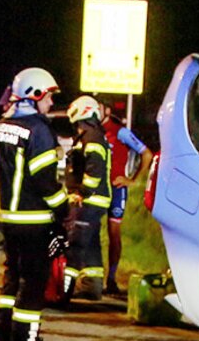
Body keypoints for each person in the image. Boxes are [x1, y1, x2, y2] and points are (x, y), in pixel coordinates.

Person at [0, 67, 66, 341]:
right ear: (34, 96)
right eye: (48, 97)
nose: (50, 104)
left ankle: (3, 330)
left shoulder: (0, 127)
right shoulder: (40, 130)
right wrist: (63, 206)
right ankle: (25, 340)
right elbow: (45, 180)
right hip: (32, 219)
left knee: (12, 275)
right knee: (34, 280)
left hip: (6, 218)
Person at [61, 95, 112, 301]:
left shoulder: (91, 138)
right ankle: (92, 285)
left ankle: (65, 289)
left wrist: (81, 192)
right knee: (91, 244)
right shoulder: (92, 136)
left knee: (75, 243)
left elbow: (94, 172)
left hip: (88, 200)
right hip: (95, 200)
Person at [104, 102, 149, 297]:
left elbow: (146, 154)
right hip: (98, 189)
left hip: (116, 188)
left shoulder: (120, 131)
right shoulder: (92, 130)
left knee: (114, 233)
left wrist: (133, 180)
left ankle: (111, 278)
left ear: (106, 110)